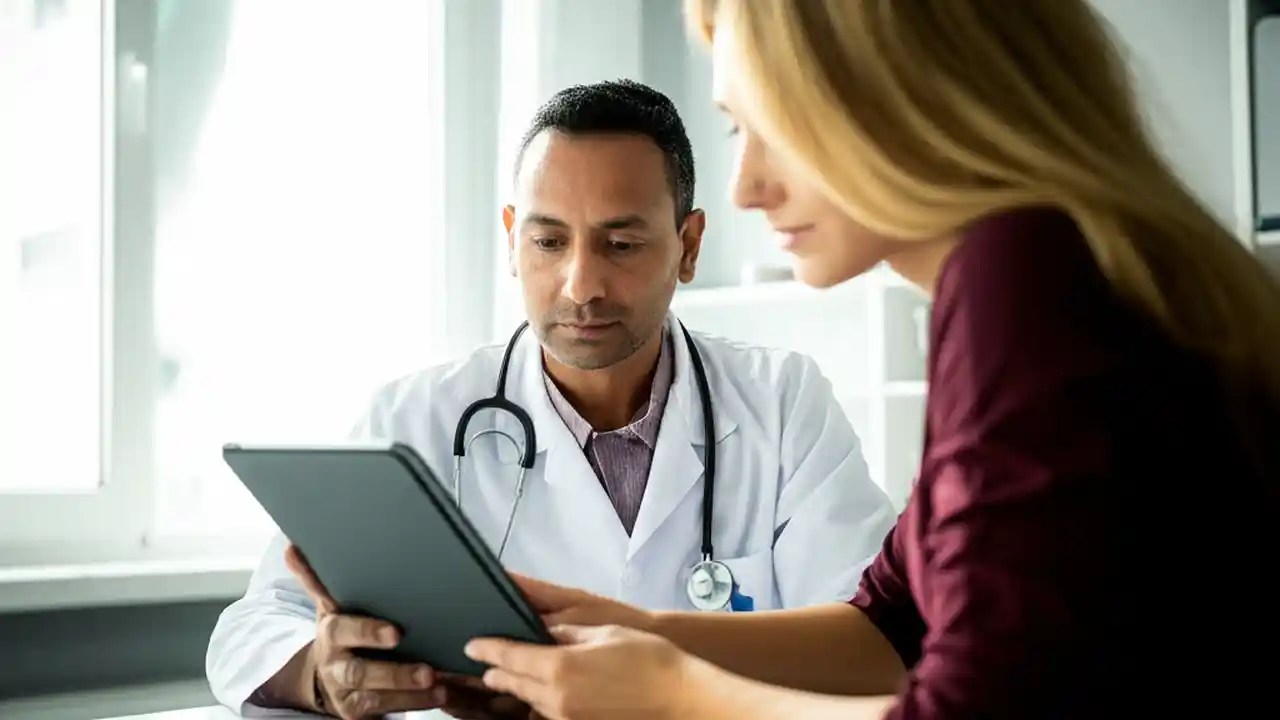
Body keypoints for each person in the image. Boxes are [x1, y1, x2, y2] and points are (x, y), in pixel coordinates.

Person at [460, 2, 1280, 718]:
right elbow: (889, 628)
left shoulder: (1025, 277)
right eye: (737, 128)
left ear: (901, 97)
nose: (746, 186)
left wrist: (673, 694)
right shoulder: (1051, 260)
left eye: (773, 124)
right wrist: (642, 632)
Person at [204, 79, 897, 718]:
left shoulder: (782, 401)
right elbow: (252, 627)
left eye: (620, 243)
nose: (580, 286)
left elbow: (871, 644)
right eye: (547, 241)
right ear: (512, 240)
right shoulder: (412, 420)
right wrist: (323, 675)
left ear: (688, 246)